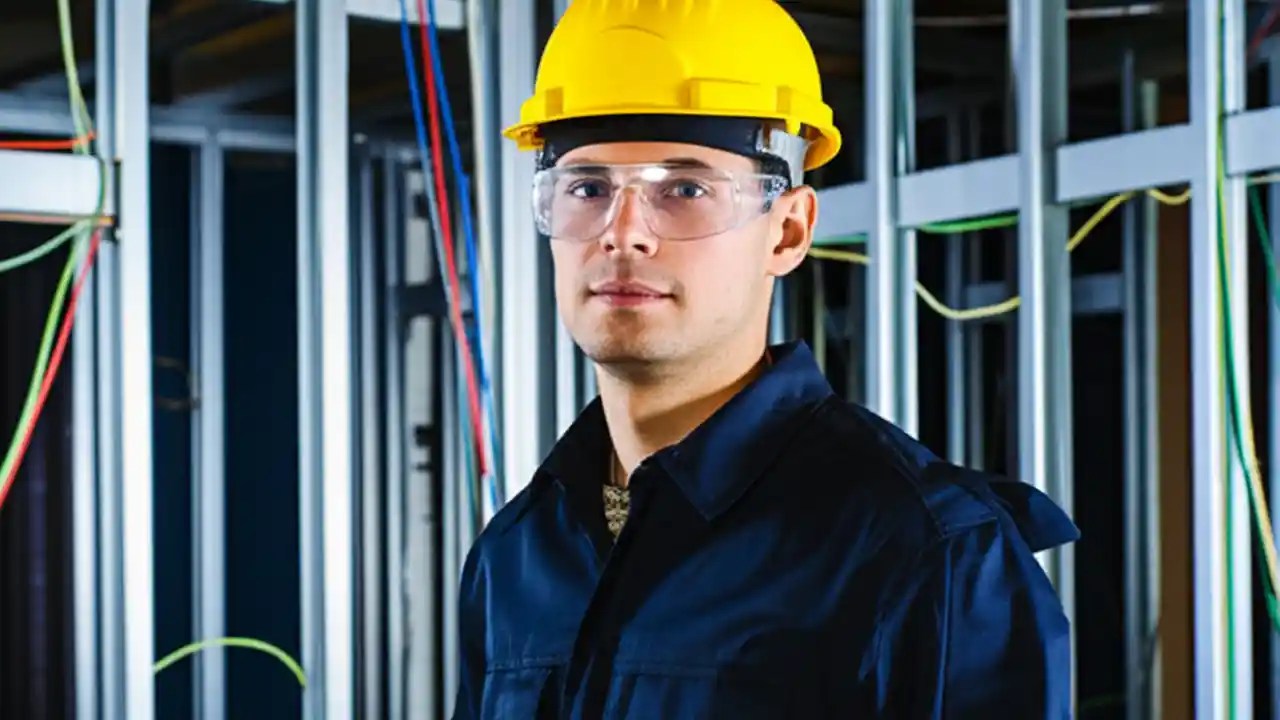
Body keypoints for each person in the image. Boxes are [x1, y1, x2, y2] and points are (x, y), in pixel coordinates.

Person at [452, 1, 1079, 717]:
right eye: (587, 189)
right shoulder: (515, 557)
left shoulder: (927, 551)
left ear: (787, 231)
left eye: (684, 190)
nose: (623, 234)